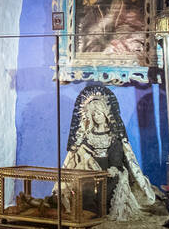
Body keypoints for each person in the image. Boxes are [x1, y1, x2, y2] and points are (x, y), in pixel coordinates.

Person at [63, 83, 156, 220]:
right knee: (85, 190)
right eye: (93, 114)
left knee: (108, 187)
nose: (96, 117)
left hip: (109, 168)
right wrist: (85, 157)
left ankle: (103, 210)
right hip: (91, 170)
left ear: (106, 114)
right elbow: (80, 152)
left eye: (99, 113)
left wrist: (114, 166)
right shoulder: (88, 135)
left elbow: (117, 151)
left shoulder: (112, 135)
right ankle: (88, 212)